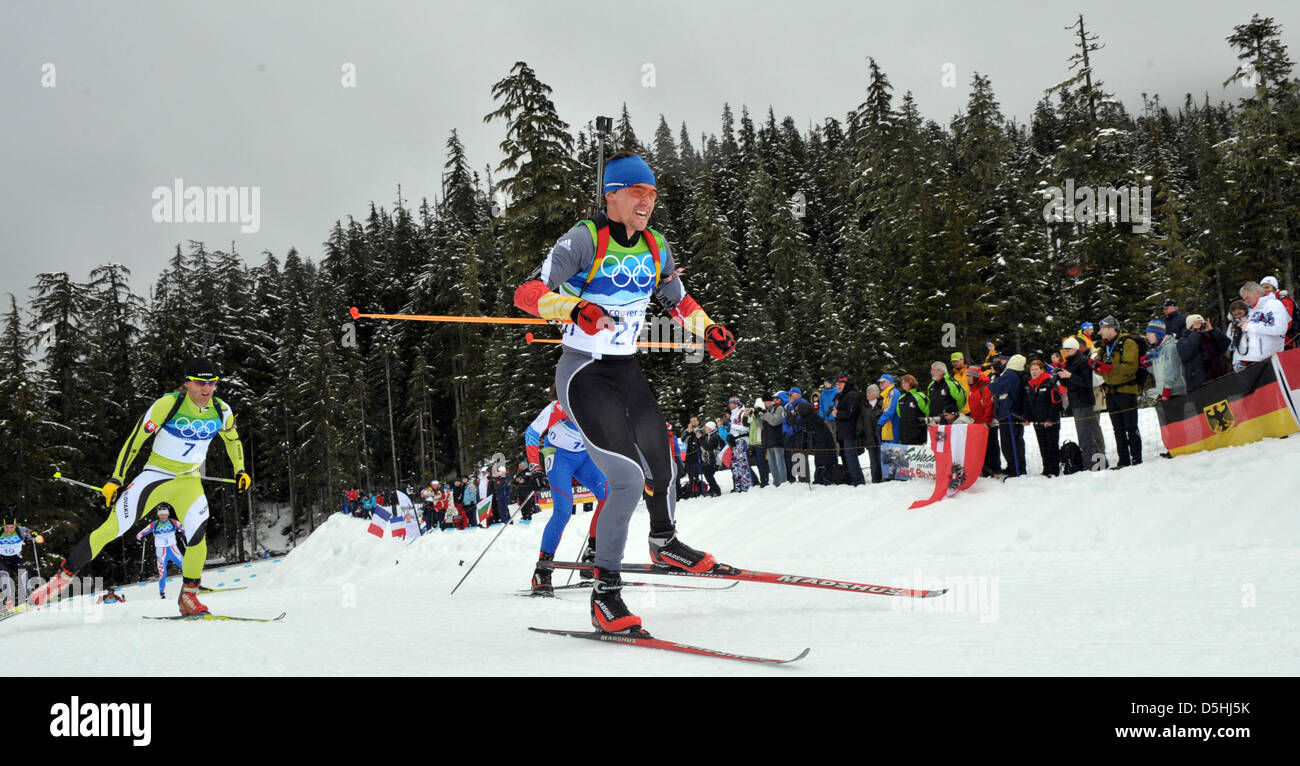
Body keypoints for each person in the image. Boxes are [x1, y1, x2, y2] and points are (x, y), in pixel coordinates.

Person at [512, 152, 736, 634]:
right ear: (611, 194)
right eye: (637, 191)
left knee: (662, 460)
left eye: (652, 193)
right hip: (583, 373)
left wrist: (708, 329)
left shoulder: (656, 246)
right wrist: (574, 309)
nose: (647, 201)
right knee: (627, 479)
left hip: (625, 369)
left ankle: (664, 542)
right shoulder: (583, 239)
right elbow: (527, 293)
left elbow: (679, 302)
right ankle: (605, 596)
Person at [27, 359, 250, 615]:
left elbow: (233, 440)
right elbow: (135, 440)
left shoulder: (222, 411)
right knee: (111, 529)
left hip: (189, 482)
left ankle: (189, 597)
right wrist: (116, 478)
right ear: (187, 383)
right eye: (200, 383)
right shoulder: (168, 405)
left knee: (197, 536)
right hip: (155, 477)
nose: (206, 389)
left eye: (212, 383)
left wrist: (240, 469)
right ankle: (60, 580)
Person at [524, 393, 608, 595]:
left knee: (609, 495)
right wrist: (535, 467)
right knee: (563, 510)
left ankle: (593, 552)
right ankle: (542, 569)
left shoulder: (599, 403)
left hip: (584, 457)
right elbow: (532, 433)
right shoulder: (558, 407)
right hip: (559, 456)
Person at [1092, 317, 1143, 469]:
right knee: (1117, 428)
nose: (1100, 332)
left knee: (1131, 427)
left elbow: (1130, 368)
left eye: (1102, 329)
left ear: (1111, 328)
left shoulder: (1127, 343)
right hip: (1110, 391)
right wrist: (1097, 367)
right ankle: (1123, 460)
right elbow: (1101, 371)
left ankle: (1136, 458)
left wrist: (1109, 369)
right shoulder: (1103, 347)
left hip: (1126, 391)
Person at [1058, 337, 1107, 470]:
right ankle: (1098, 462)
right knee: (1084, 435)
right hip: (1075, 402)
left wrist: (1070, 376)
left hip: (1085, 402)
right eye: (1064, 350)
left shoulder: (1083, 362)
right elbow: (1070, 384)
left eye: (1068, 350)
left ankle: (1092, 465)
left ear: (1074, 349)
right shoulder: (1069, 363)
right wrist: (1060, 376)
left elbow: (1086, 383)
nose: (1065, 353)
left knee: (1087, 436)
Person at [1232, 281, 1289, 370]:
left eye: (1247, 298)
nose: (1246, 301)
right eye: (1244, 299)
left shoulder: (1272, 304)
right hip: (1253, 361)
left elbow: (1279, 328)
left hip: (1269, 361)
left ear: (1258, 293)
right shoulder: (1254, 310)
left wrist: (1250, 326)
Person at [1023, 359, 1066, 477]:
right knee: (1043, 447)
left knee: (1052, 446)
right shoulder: (1030, 386)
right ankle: (1046, 469)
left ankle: (1054, 470)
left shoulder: (1050, 383)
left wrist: (1051, 419)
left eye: (1036, 369)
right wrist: (1027, 418)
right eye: (1032, 369)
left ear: (1042, 370)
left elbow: (1056, 403)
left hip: (1050, 422)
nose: (1034, 372)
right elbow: (1028, 404)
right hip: (1038, 422)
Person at [989, 354, 1028, 477]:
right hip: (1015, 412)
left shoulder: (1010, 374)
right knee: (1016, 442)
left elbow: (995, 387)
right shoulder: (1018, 375)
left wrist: (994, 376)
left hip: (1008, 413)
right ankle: (1016, 467)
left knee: (1009, 443)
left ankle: (1015, 469)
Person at [135, 505, 185, 598]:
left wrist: (184, 533)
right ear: (158, 515)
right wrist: (140, 538)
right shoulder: (154, 524)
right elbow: (140, 533)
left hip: (173, 550)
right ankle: (162, 593)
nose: (163, 516)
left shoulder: (173, 522)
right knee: (162, 573)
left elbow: (184, 529)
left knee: (186, 568)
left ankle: (194, 585)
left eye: (165, 514)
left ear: (168, 514)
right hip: (161, 552)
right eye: (161, 515)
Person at [964, 365, 1001, 476]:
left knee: (991, 447)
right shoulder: (972, 389)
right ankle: (985, 469)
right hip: (978, 424)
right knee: (981, 448)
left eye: (970, 376)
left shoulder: (985, 388)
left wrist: (986, 422)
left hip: (988, 424)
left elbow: (988, 406)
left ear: (975, 377)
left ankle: (994, 469)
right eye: (967, 376)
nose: (968, 378)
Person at [1177, 314, 1229, 391]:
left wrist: (1213, 331)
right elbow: (1186, 354)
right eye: (1197, 324)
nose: (1201, 326)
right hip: (1198, 381)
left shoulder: (1209, 336)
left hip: (1218, 376)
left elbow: (1225, 345)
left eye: (1202, 323)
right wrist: (1196, 332)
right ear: (1190, 327)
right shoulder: (1182, 341)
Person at [831, 375, 865, 485]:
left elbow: (851, 412)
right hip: (844, 431)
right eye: (837, 384)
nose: (838, 386)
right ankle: (852, 478)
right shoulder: (843, 395)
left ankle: (858, 481)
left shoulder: (851, 394)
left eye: (840, 384)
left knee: (851, 457)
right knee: (846, 456)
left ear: (846, 383)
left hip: (851, 431)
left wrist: (838, 413)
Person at [1144, 318, 1187, 401]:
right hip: (1164, 392)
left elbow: (1173, 370)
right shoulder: (1157, 350)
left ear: (1158, 334)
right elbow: (1158, 372)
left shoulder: (1170, 347)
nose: (1147, 336)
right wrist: (1148, 365)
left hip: (1175, 392)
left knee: (1177, 414)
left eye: (1149, 333)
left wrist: (1167, 389)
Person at [1, 519, 39, 611]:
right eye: (6, 527)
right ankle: (8, 600)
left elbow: (34, 535)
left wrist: (34, 535)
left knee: (22, 572)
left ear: (16, 525)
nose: (9, 530)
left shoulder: (21, 530)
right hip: (1, 558)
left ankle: (30, 596)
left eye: (12, 527)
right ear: (3, 526)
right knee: (4, 574)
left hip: (15, 557)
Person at [857, 383, 884, 483]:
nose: (867, 393)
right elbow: (860, 422)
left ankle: (885, 477)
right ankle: (875, 479)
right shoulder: (864, 407)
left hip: (881, 437)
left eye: (870, 391)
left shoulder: (882, 404)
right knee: (873, 460)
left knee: (883, 458)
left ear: (876, 393)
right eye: (867, 392)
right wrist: (860, 433)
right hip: (869, 437)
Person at [725, 396, 754, 493]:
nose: (729, 405)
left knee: (743, 464)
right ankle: (738, 486)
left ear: (736, 403)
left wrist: (731, 425)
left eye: (731, 403)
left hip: (741, 440)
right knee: (735, 464)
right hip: (735, 441)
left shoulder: (742, 412)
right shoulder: (733, 414)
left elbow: (746, 428)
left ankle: (747, 485)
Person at [1261, 276, 1298, 348]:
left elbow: (1288, 322)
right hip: (1269, 342)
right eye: (1262, 287)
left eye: (1267, 287)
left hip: (1285, 340)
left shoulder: (1284, 300)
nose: (1264, 290)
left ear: (1274, 288)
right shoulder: (1264, 301)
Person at [896, 375, 930, 446]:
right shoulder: (901, 398)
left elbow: (928, 411)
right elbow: (899, 414)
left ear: (912, 383)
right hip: (904, 434)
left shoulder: (920, 396)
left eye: (906, 382)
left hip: (918, 434)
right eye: (902, 383)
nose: (903, 384)